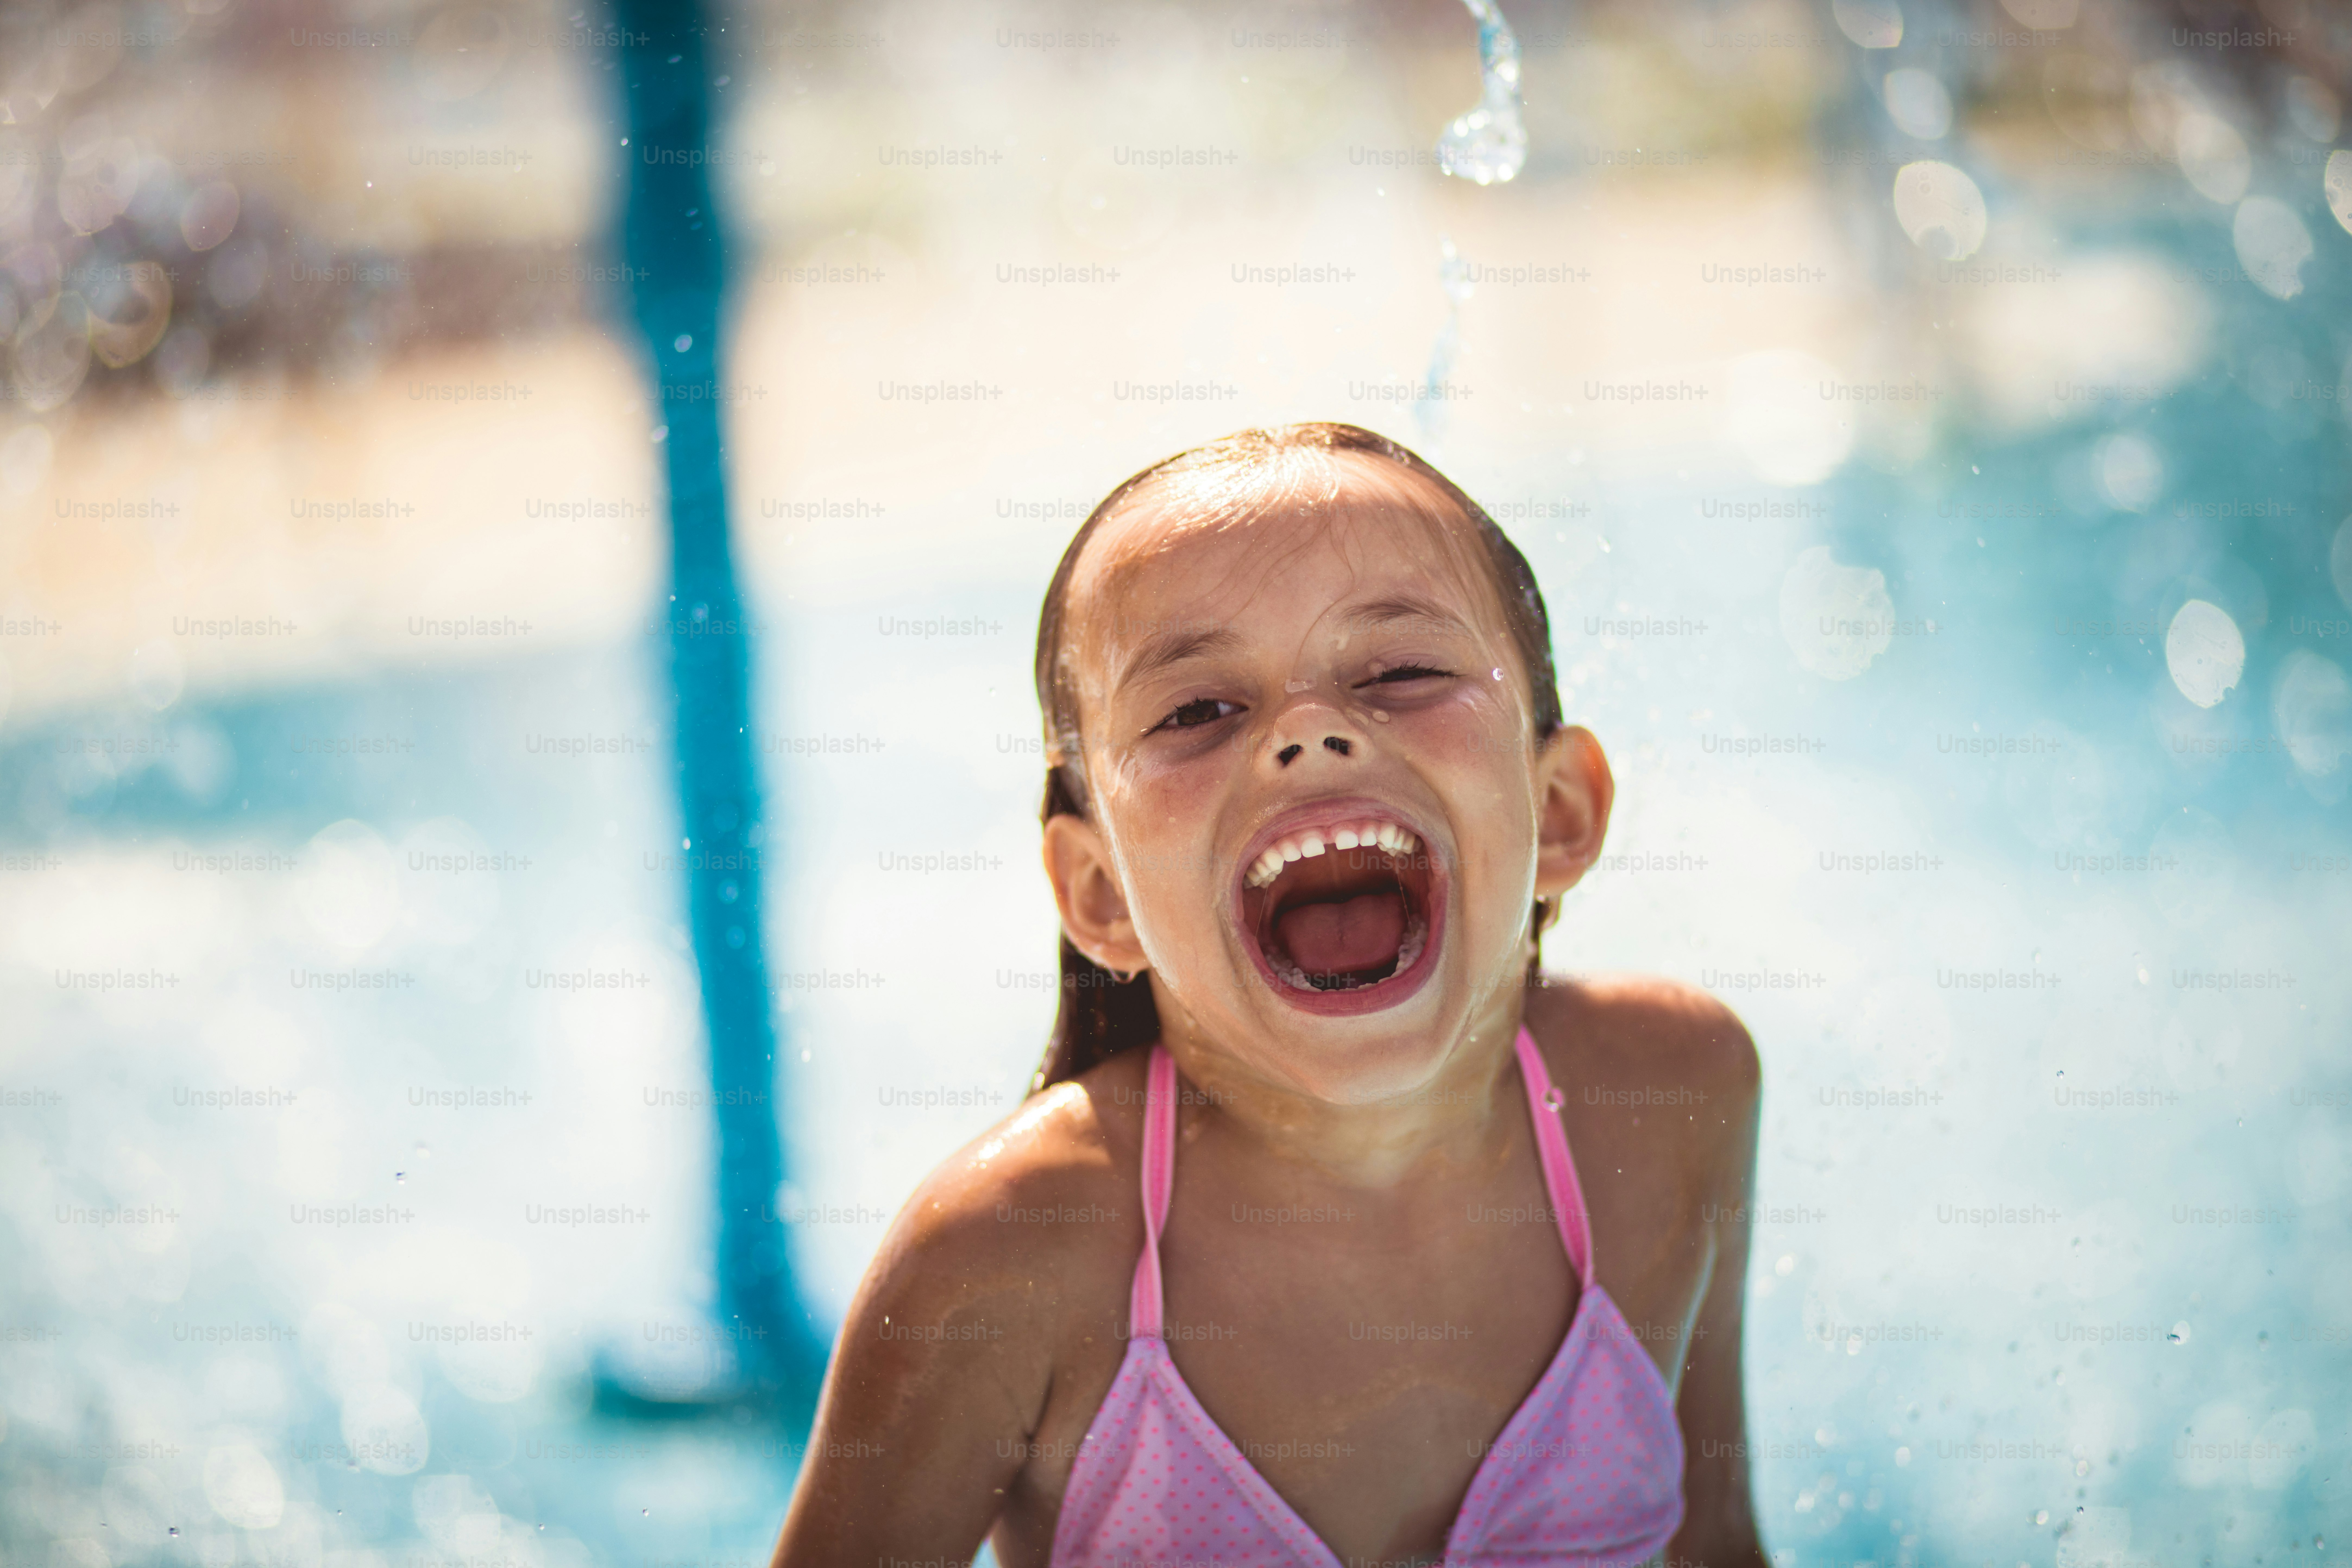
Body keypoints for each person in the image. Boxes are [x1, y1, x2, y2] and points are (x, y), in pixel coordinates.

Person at [771, 422, 1768, 1567]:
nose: (1309, 731)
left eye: (1400, 671)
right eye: (1196, 711)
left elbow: (1720, 1543)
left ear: (1565, 811)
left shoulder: (1665, 1096)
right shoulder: (1012, 1256)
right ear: (1097, 896)